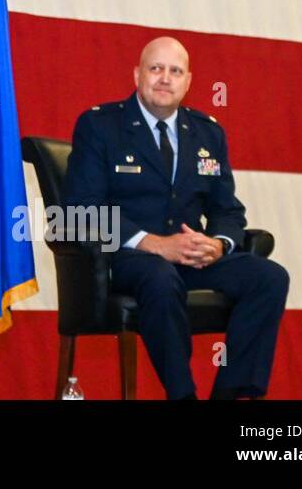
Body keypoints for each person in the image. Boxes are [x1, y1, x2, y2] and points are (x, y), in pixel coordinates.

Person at [61, 36, 289, 399]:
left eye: (175, 71)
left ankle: (230, 393)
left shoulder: (207, 132)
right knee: (159, 275)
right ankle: (183, 396)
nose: (165, 78)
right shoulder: (101, 126)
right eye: (156, 68)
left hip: (191, 255)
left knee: (269, 278)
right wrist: (151, 243)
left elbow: (226, 210)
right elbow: (78, 207)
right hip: (125, 258)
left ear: (188, 81)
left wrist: (217, 244)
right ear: (138, 74)